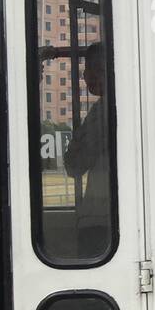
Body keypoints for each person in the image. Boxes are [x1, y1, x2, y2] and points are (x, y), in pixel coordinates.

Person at [61, 42, 112, 257]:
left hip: (100, 220)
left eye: (98, 69)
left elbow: (74, 165)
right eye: (88, 69)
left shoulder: (104, 112)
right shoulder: (104, 107)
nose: (89, 75)